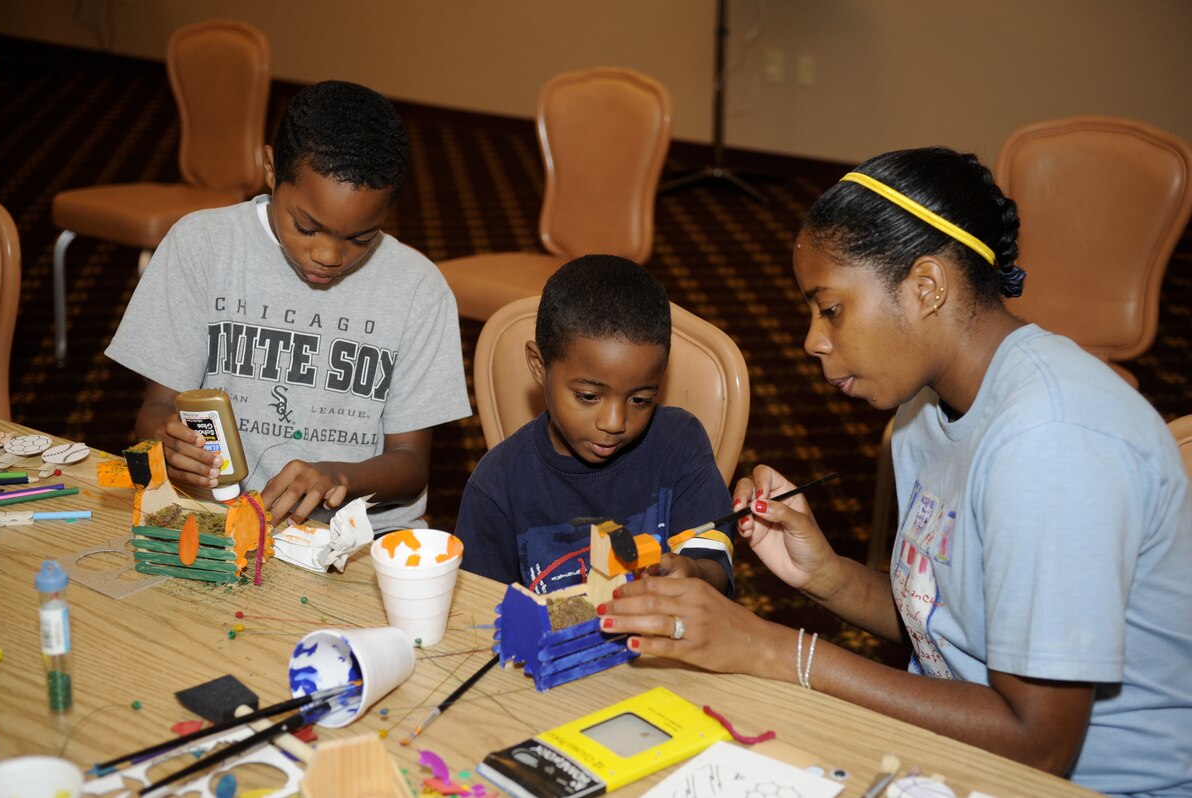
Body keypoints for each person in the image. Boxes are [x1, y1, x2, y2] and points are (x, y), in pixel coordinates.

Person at [597, 147, 1192, 796]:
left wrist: (771, 648)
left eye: (829, 308)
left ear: (927, 286)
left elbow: (1039, 742)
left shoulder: (1054, 439)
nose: (812, 340)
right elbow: (950, 628)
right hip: (958, 756)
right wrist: (825, 575)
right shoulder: (922, 415)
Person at [106, 80, 471, 531]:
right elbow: (157, 406)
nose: (328, 255)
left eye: (360, 238)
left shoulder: (418, 289)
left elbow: (410, 463)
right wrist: (169, 442)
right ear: (271, 170)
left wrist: (340, 477)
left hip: (360, 536)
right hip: (220, 515)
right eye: (306, 227)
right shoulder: (202, 247)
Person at [456, 254, 735, 596]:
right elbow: (480, 607)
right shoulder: (498, 484)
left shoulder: (680, 444)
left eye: (640, 399)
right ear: (539, 365)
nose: (614, 423)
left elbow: (714, 566)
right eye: (588, 396)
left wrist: (693, 573)